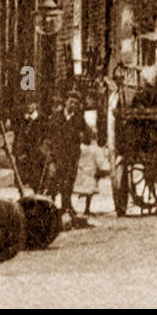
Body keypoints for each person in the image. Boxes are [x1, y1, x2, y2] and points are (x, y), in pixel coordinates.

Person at [44, 89, 96, 218]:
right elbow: (48, 137)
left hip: (72, 157)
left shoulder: (79, 119)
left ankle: (66, 206)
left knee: (69, 182)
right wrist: (49, 156)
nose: (73, 105)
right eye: (71, 102)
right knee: (55, 182)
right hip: (57, 155)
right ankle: (52, 207)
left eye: (76, 104)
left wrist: (84, 134)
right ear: (66, 101)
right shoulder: (56, 117)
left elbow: (88, 138)